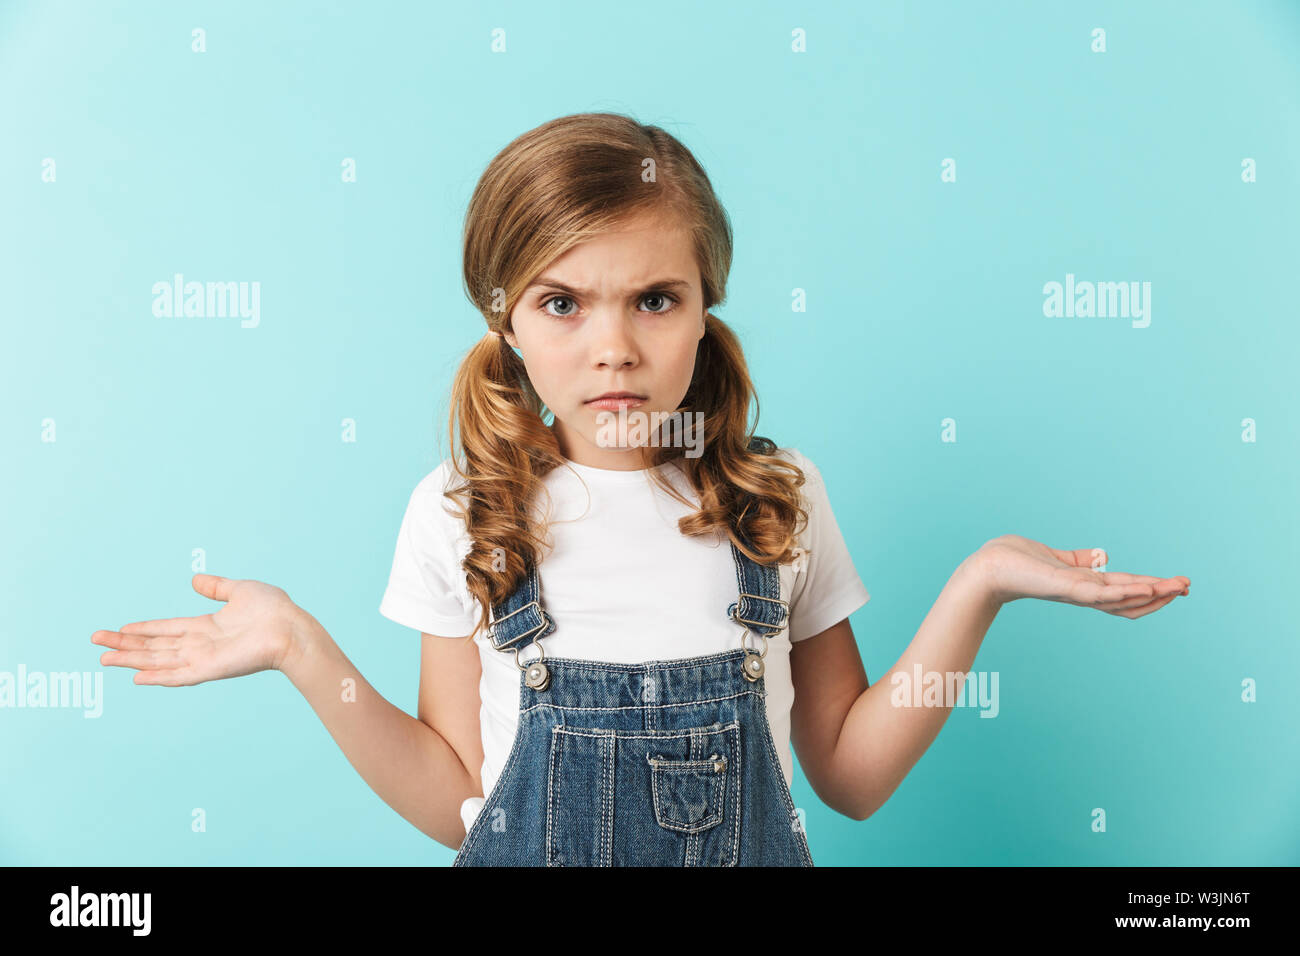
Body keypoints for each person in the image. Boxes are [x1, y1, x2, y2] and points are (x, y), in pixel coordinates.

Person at [90, 112, 1190, 866]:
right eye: (563, 303)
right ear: (504, 319)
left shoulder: (778, 499)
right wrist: (298, 647)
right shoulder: (462, 510)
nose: (612, 346)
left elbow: (849, 775)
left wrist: (979, 585)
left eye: (654, 299)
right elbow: (457, 799)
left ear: (705, 305)